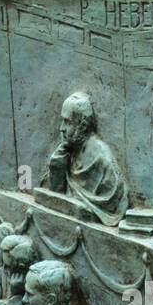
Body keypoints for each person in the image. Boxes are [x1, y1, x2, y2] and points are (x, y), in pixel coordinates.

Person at [41, 92, 128, 226]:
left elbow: (112, 202)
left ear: (82, 125)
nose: (61, 129)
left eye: (67, 122)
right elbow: (56, 195)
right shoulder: (69, 152)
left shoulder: (101, 158)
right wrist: (58, 162)